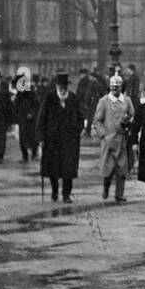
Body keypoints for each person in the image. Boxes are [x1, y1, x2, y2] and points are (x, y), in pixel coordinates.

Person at [36, 70, 82, 202]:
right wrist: (41, 138)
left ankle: (66, 194)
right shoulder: (49, 98)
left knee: (69, 169)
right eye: (60, 87)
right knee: (53, 169)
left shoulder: (73, 98)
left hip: (69, 141)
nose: (62, 89)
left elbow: (80, 117)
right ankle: (55, 191)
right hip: (52, 141)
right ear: (56, 87)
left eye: (65, 87)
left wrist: (76, 131)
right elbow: (41, 119)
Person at [92, 74, 134, 202]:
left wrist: (128, 122)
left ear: (121, 87)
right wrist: (103, 135)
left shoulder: (127, 100)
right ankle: (106, 188)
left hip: (122, 139)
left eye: (117, 87)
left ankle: (119, 194)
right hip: (108, 140)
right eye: (113, 87)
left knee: (122, 168)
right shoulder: (103, 101)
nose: (115, 89)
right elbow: (97, 121)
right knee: (108, 169)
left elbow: (133, 116)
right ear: (109, 87)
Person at [13, 75, 40, 163]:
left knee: (33, 138)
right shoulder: (19, 94)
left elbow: (36, 105)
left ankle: (34, 154)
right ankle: (25, 156)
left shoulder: (32, 93)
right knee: (22, 139)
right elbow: (16, 106)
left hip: (31, 120)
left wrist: (32, 114)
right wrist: (16, 115)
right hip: (22, 120)